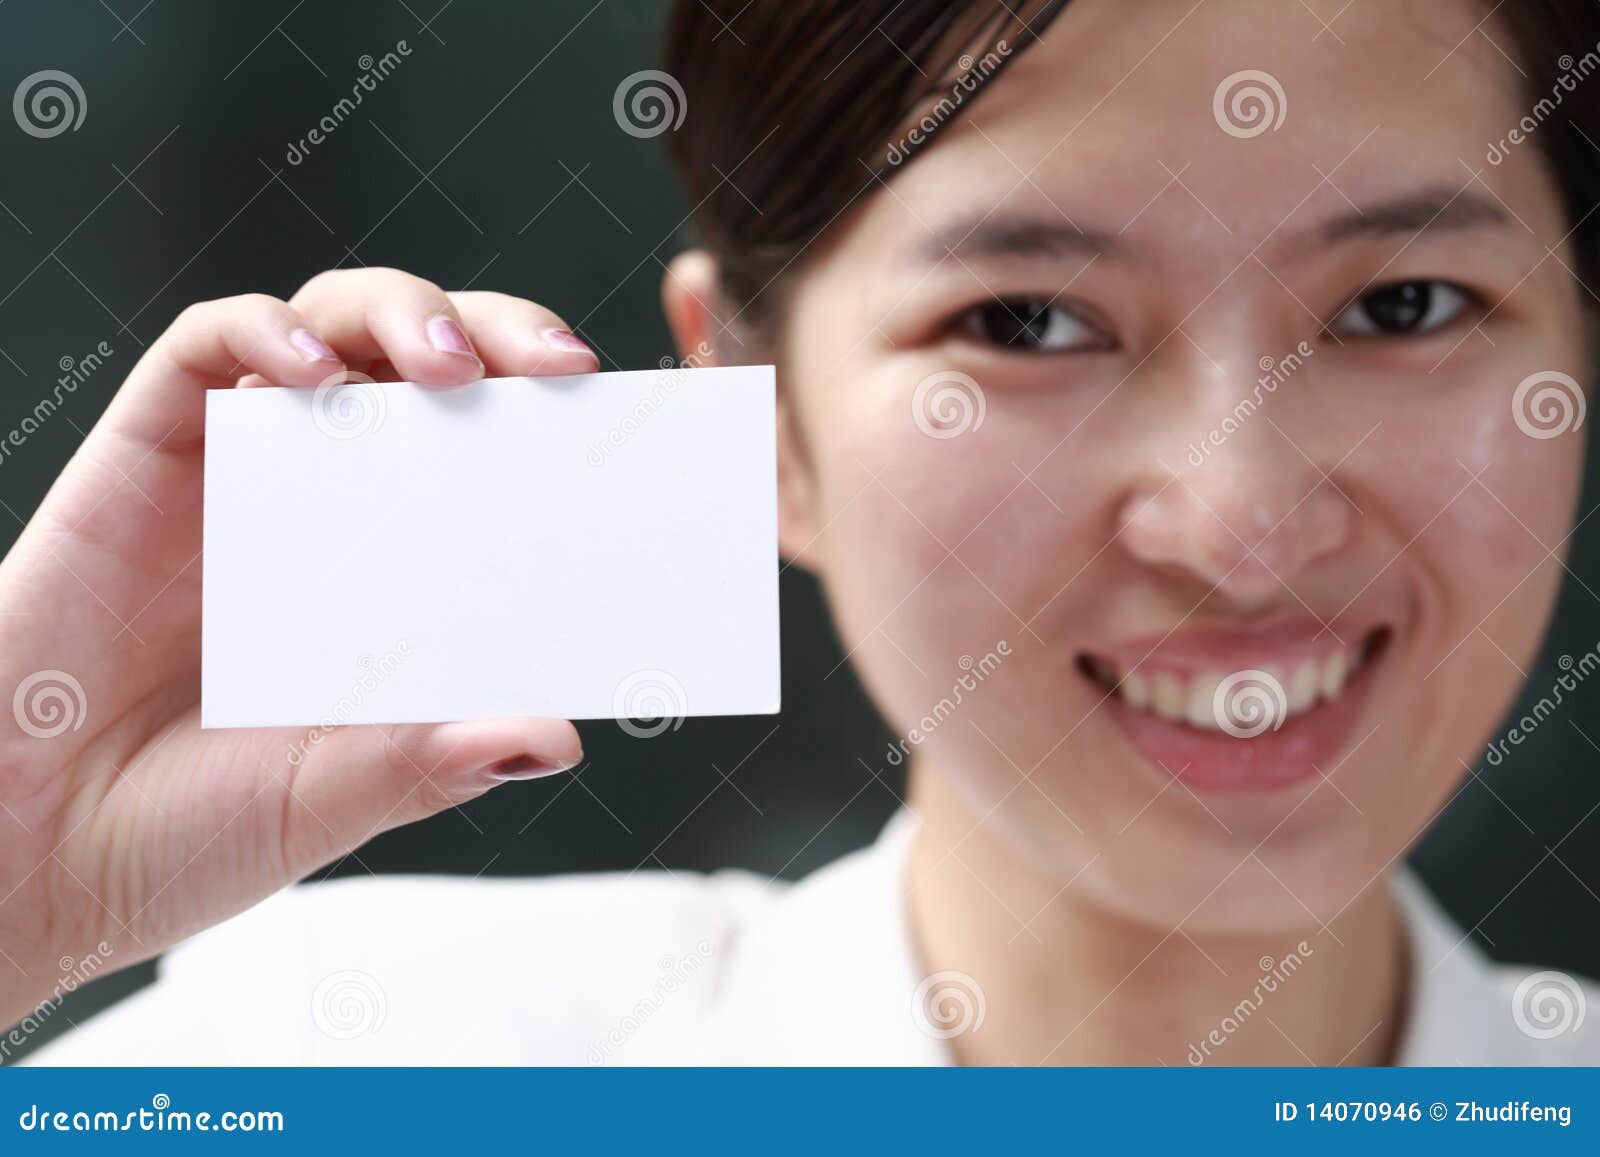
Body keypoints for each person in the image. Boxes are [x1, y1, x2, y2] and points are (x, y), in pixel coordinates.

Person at [8, 0, 1600, 1065]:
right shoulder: (358, 1057)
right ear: (761, 414)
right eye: (1027, 321)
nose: (1241, 526)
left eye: (1408, 303)